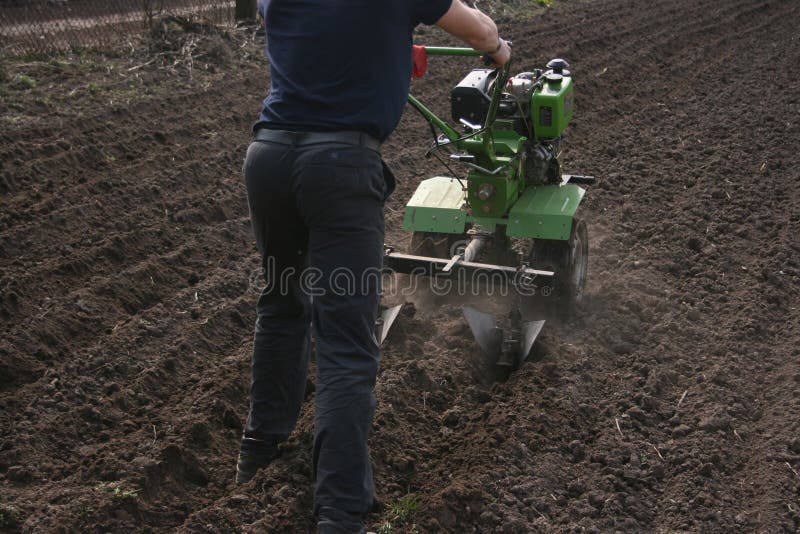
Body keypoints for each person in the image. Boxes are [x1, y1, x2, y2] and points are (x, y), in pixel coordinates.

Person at [237, 1, 511, 532]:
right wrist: (498, 51)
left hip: (269, 157)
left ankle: (255, 459)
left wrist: (379, 44)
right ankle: (340, 513)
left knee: (282, 308)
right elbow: (477, 28)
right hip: (338, 167)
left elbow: (316, 32)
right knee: (345, 341)